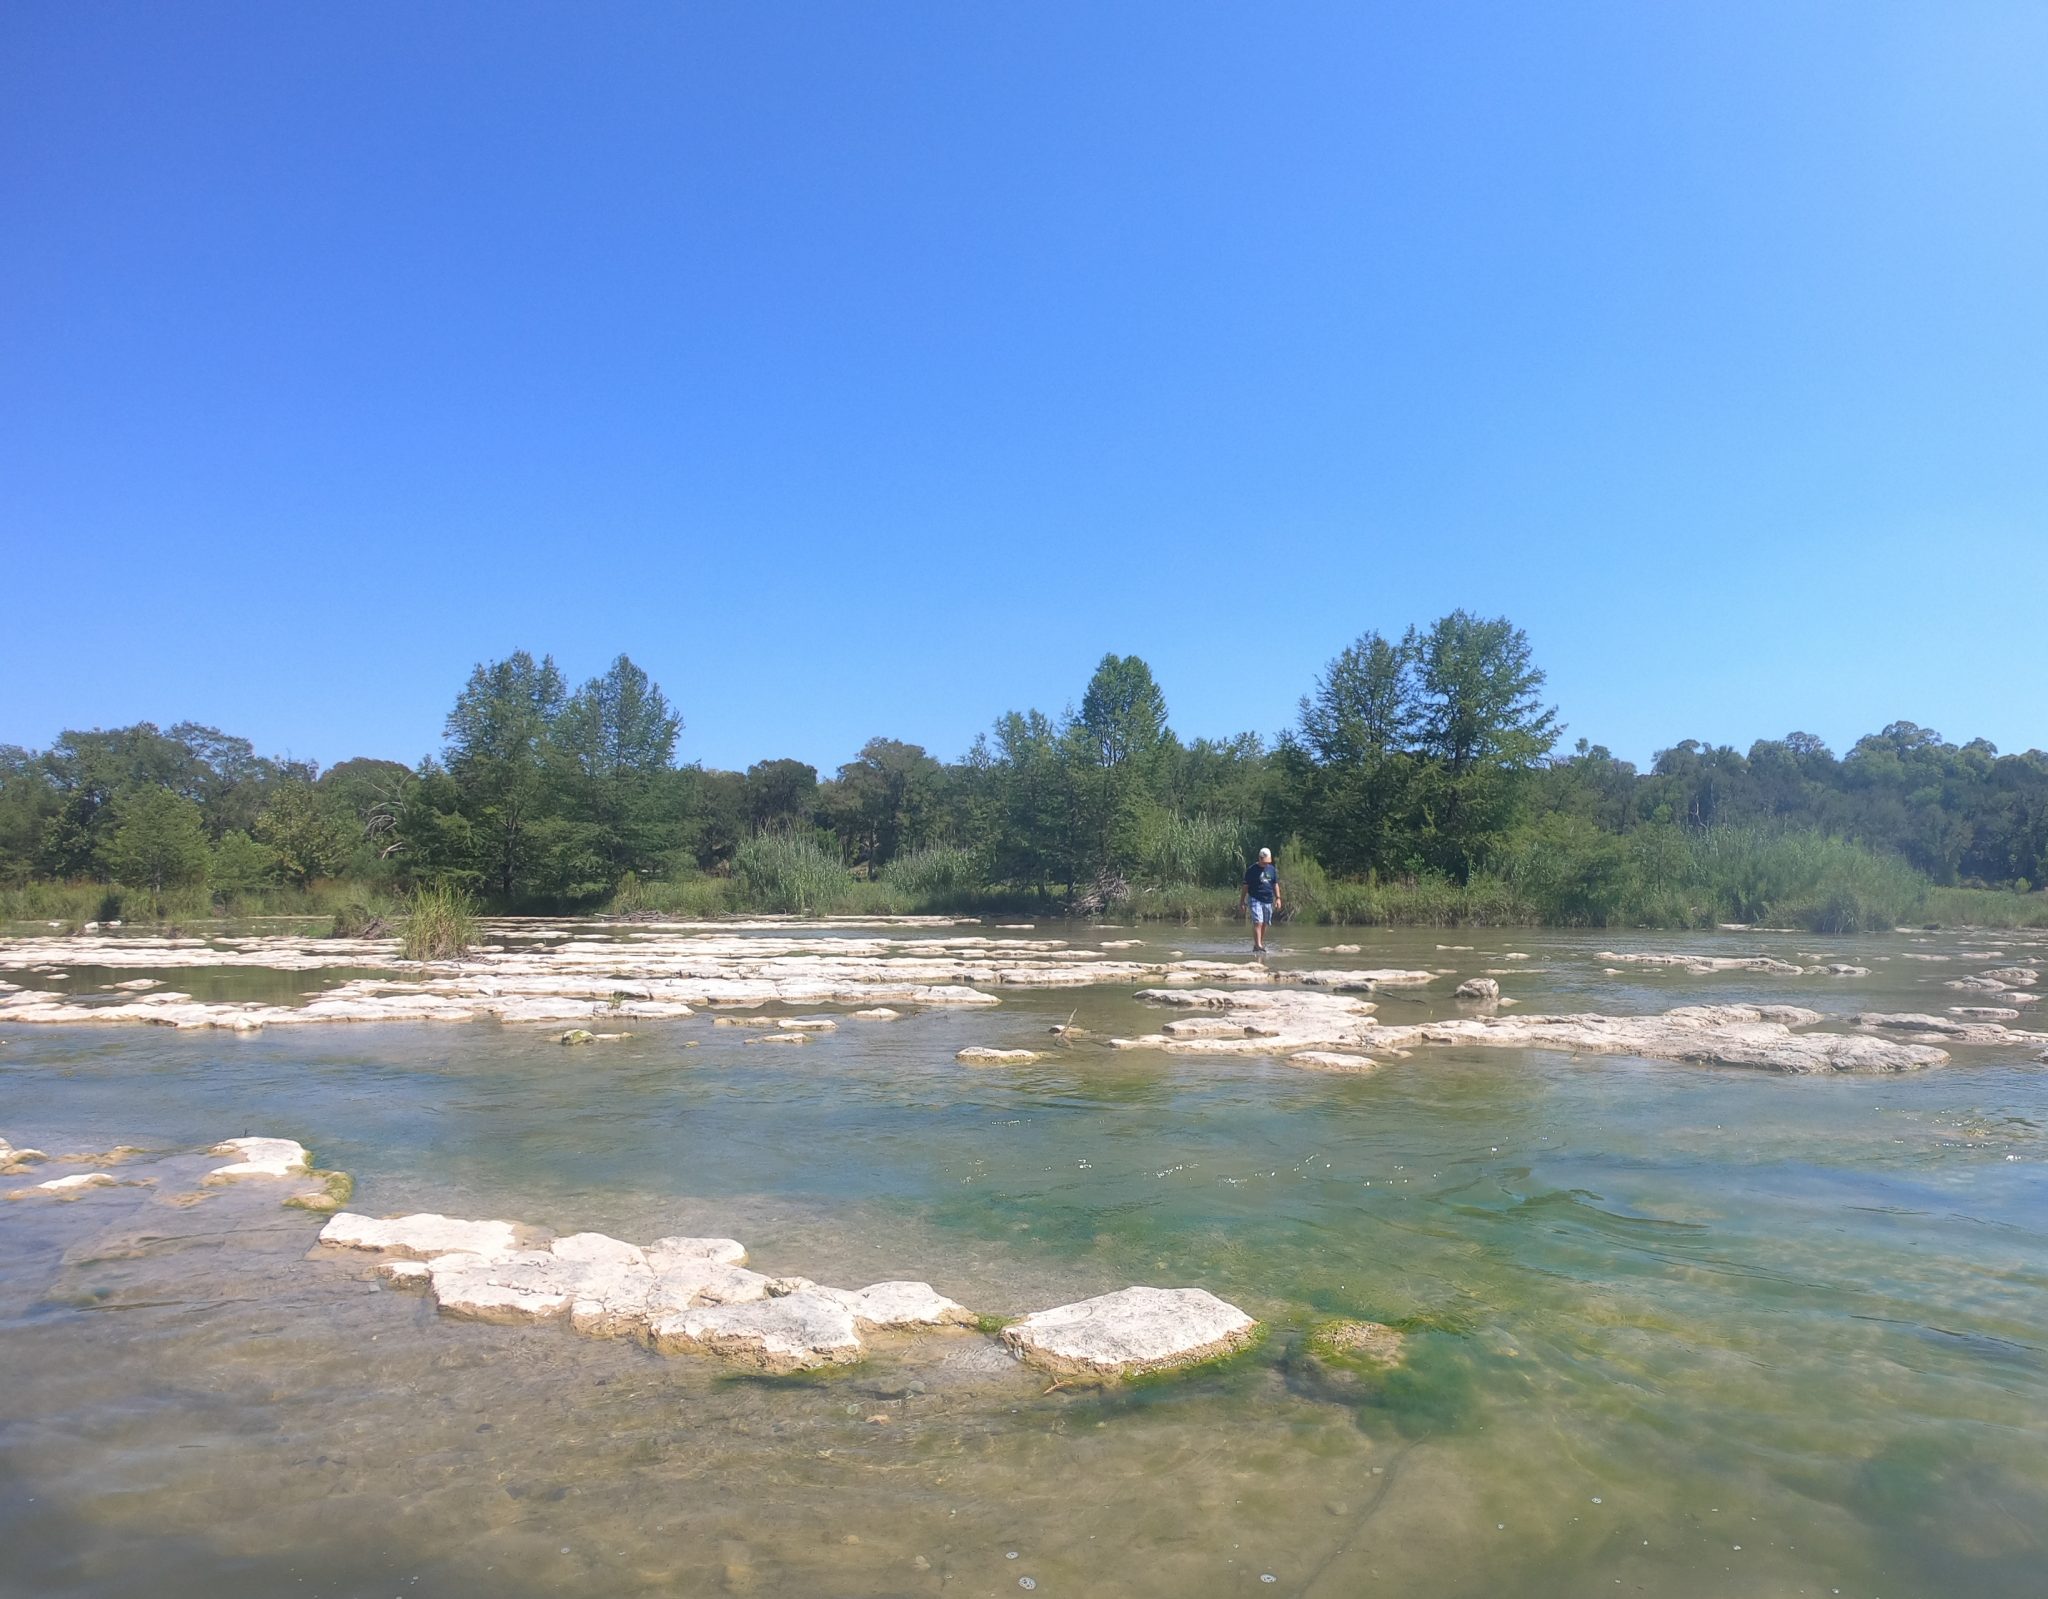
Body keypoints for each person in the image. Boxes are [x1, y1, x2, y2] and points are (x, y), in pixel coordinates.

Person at [1240, 846, 1281, 955]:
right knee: (1258, 922)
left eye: (1267, 862)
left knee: (1265, 923)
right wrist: (1242, 901)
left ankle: (1258, 944)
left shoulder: (1272, 869)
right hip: (1255, 898)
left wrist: (1278, 898)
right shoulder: (1251, 870)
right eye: (1263, 862)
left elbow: (1275, 884)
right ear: (1259, 858)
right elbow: (1245, 887)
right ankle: (1258, 945)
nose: (1265, 865)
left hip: (1268, 900)